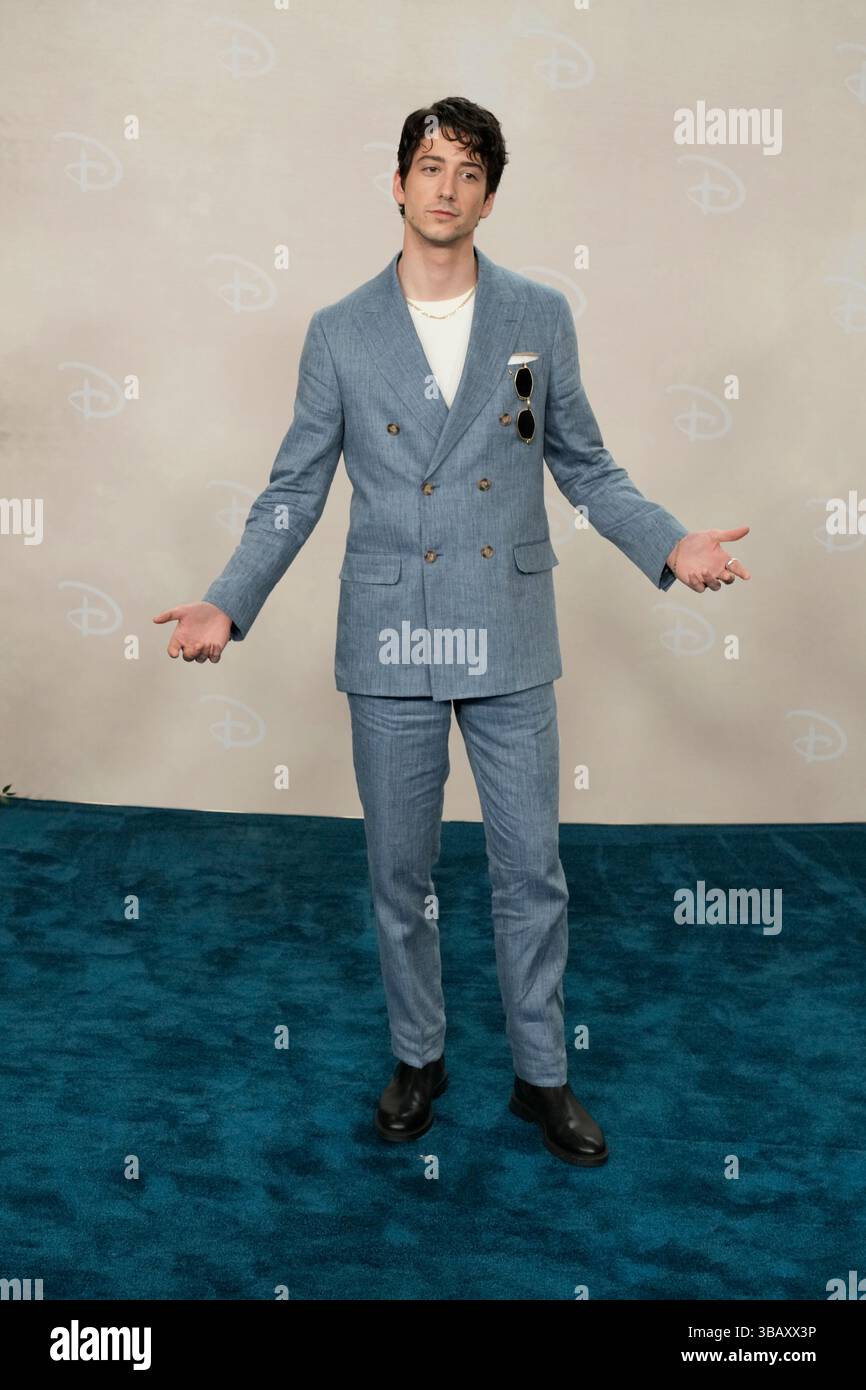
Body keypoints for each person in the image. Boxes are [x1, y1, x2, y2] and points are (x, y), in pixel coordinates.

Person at [154, 97, 751, 1167]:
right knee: (399, 871)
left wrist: (667, 546)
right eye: (428, 166)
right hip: (389, 634)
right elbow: (293, 491)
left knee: (533, 868)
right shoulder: (338, 332)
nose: (445, 187)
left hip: (508, 627)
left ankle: (541, 1076)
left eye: (468, 171)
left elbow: (583, 464)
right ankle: (417, 1056)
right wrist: (225, 599)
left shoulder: (538, 314)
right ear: (396, 183)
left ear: (487, 194)